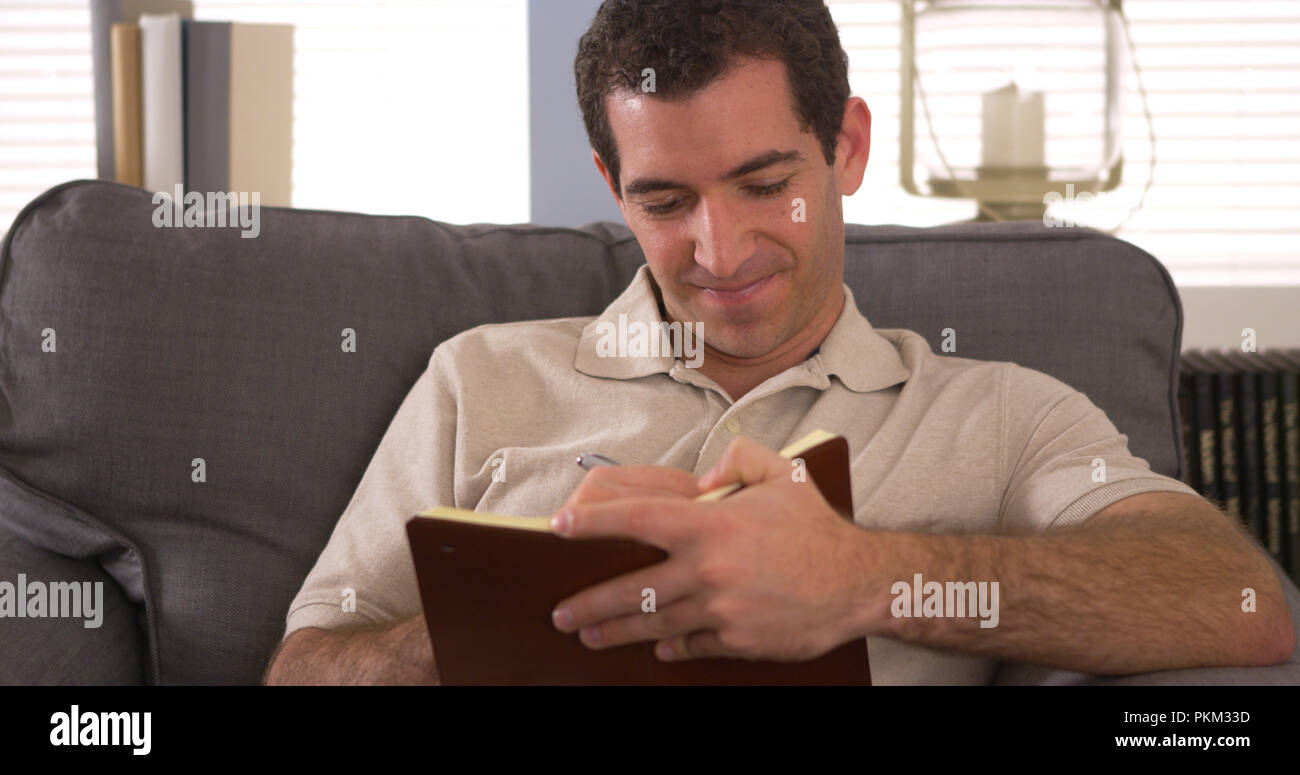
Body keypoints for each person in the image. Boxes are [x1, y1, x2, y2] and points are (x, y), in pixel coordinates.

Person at [264, 0, 1293, 685]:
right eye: (664, 200)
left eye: (764, 186)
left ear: (844, 147)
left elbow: (1242, 603)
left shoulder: (1002, 414)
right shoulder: (479, 375)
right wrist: (517, 620)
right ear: (610, 183)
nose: (720, 249)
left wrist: (863, 577)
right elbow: (302, 667)